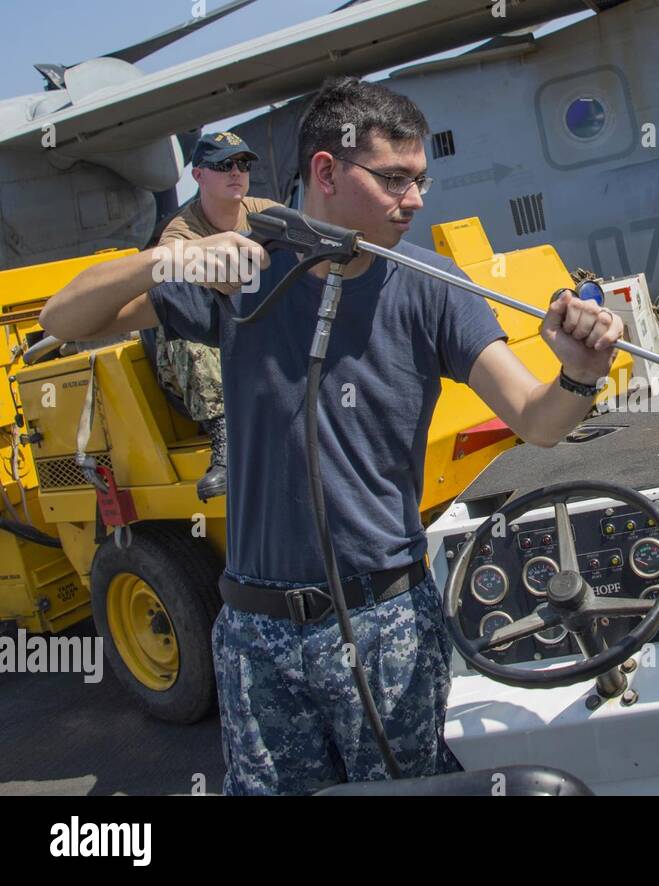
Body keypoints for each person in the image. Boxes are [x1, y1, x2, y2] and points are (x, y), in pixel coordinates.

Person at [39, 76, 624, 795]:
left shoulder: (433, 287)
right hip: (257, 631)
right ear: (325, 171)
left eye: (420, 181)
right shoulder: (244, 274)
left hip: (384, 624)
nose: (414, 199)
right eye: (393, 180)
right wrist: (169, 259)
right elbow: (63, 321)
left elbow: (535, 420)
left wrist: (579, 374)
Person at [155, 131, 279, 501]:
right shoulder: (179, 235)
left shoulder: (267, 214)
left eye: (243, 164)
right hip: (206, 351)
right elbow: (176, 291)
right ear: (198, 176)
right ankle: (226, 440)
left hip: (259, 335)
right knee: (184, 311)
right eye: (224, 165)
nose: (236, 172)